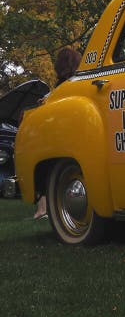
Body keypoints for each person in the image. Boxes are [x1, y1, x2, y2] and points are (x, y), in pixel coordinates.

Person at [32, 46, 82, 220]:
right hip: (76, 134)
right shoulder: (78, 83)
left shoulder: (61, 87)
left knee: (44, 166)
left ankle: (42, 208)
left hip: (59, 134)